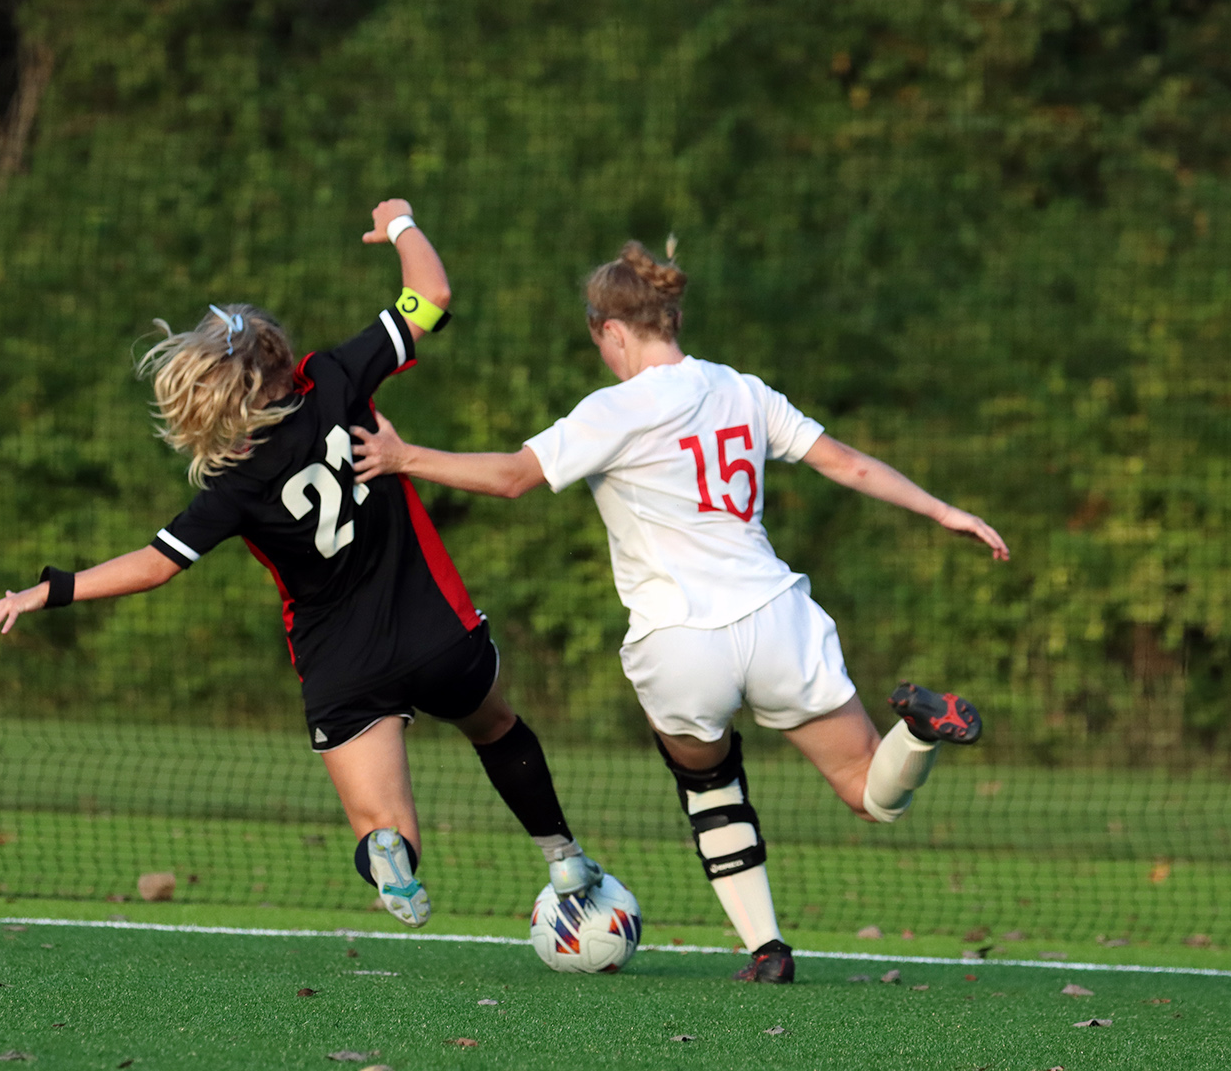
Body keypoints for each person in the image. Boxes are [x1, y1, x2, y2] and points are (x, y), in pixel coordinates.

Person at [349, 239, 1009, 981]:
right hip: (777, 620)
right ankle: (919, 730)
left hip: (681, 642)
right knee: (870, 794)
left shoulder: (614, 410)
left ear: (611, 330)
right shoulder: (743, 390)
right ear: (675, 316)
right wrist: (944, 509)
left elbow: (510, 478)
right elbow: (848, 465)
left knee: (708, 781)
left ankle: (767, 948)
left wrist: (407, 458)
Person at [0, 200, 603, 929]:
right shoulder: (335, 378)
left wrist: (52, 591)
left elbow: (154, 565)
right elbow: (432, 294)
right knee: (496, 729)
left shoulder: (234, 485)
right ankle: (561, 853)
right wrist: (400, 224)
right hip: (434, 630)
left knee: (387, 826)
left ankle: (388, 852)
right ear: (280, 353)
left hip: (342, 666)